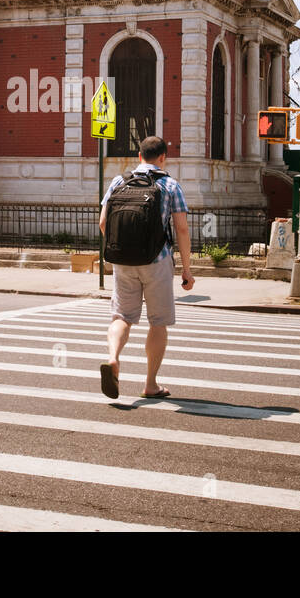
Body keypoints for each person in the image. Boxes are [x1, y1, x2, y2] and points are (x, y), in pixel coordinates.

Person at [97, 135, 194, 400]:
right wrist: (186, 269)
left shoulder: (119, 181)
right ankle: (150, 384)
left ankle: (113, 359)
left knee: (121, 317)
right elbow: (182, 229)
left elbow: (103, 222)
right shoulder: (171, 185)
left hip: (123, 261)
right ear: (163, 157)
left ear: (139, 156)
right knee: (158, 322)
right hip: (157, 261)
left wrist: (121, 249)